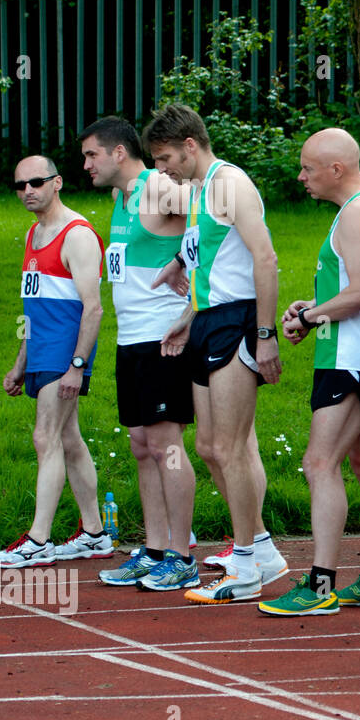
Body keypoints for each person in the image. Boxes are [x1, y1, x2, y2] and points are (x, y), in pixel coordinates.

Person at [142, 103, 288, 603]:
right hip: (207, 320)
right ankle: (262, 548)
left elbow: (265, 258)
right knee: (209, 447)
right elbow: (211, 253)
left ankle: (246, 564)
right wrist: (182, 280)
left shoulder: (230, 183)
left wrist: (265, 334)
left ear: (190, 145)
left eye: (164, 159)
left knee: (231, 446)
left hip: (237, 320)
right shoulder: (202, 192)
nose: (161, 170)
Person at [258, 128, 360, 616]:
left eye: (307, 167)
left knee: (319, 464)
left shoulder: (359, 211)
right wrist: (316, 307)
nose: (300, 176)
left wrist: (309, 317)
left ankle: (320, 585)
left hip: (352, 358)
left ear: (336, 169)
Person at [79, 117, 200, 590]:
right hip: (129, 338)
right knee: (141, 445)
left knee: (167, 445)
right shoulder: (121, 197)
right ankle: (153, 550)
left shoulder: (158, 188)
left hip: (162, 337)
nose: (86, 164)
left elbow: (216, 218)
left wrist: (182, 268)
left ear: (118, 154)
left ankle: (182, 554)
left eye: (92, 155)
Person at [0, 157, 111, 568]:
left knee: (46, 436)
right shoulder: (34, 233)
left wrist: (77, 365)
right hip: (41, 351)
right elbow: (34, 308)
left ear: (57, 182)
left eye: (36, 182)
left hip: (65, 352)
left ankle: (39, 540)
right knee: (69, 440)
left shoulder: (77, 235)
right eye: (20, 185)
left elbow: (93, 309)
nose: (28, 190)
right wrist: (20, 362)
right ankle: (95, 533)